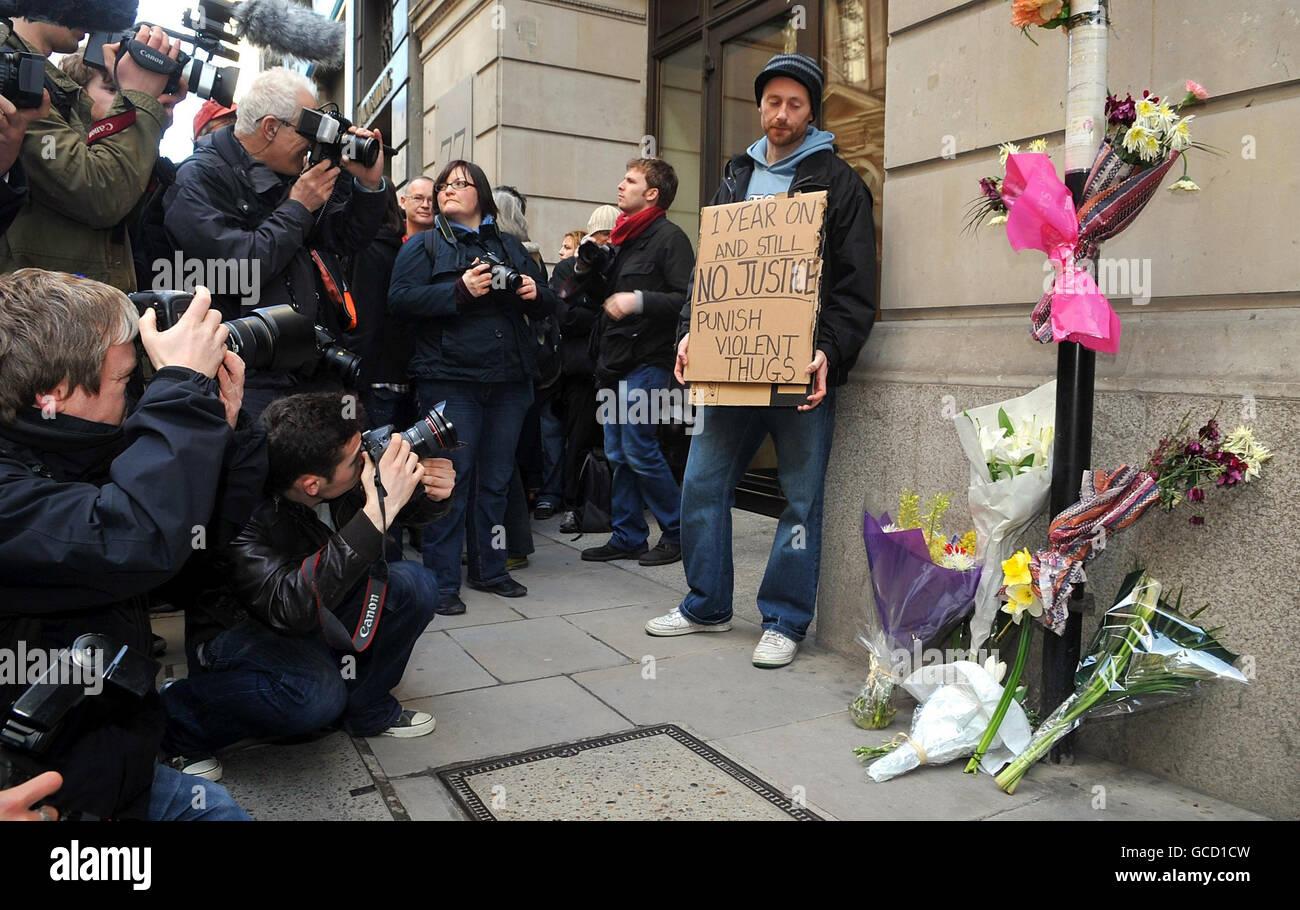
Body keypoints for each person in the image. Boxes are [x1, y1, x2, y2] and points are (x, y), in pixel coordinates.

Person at [647, 53, 878, 669]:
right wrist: (690, 333)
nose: (782, 113)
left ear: (811, 113)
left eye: (794, 104)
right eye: (773, 102)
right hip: (730, 366)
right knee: (701, 484)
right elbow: (710, 272)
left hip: (800, 370)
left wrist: (829, 350)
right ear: (760, 107)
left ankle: (784, 620)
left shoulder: (841, 182)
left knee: (799, 498)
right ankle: (706, 604)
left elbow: (856, 286)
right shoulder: (734, 177)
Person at [0, 273, 259, 819]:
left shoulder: (65, 445)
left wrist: (220, 433)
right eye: (124, 379)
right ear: (56, 394)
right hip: (39, 792)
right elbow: (134, 538)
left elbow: (181, 561)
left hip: (109, 761)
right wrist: (182, 390)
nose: (135, 394)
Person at [161, 391, 456, 755]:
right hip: (240, 627)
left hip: (318, 605)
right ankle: (178, 719)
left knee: (415, 585)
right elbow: (290, 608)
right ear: (311, 485)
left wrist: (433, 494)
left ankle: (364, 705)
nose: (367, 457)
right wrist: (377, 514)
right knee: (314, 695)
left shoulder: (332, 469)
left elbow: (405, 511)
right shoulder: (242, 513)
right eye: (356, 458)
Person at [163, 67, 388, 418]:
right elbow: (239, 270)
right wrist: (297, 206)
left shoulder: (287, 174)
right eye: (309, 127)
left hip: (311, 366)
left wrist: (368, 186)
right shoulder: (198, 178)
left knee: (338, 450)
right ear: (270, 127)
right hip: (248, 376)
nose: (314, 141)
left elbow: (346, 238)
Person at [388, 160, 556, 614]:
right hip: (450, 380)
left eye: (459, 183)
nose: (447, 190)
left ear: (480, 193)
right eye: (443, 184)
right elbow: (399, 302)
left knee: (496, 482)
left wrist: (534, 293)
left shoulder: (510, 246)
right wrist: (458, 291)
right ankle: (442, 582)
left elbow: (550, 302)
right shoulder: (424, 245)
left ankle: (490, 568)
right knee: (449, 482)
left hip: (508, 382)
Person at [0, 20, 186, 288]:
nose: (94, 16)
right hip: (44, 305)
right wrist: (138, 100)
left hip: (74, 301)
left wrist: (146, 112)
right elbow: (101, 192)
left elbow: (124, 210)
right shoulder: (11, 73)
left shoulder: (49, 81)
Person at [580, 160, 693, 567]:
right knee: (617, 451)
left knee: (639, 448)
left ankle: (679, 533)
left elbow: (687, 299)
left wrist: (638, 301)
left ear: (652, 193)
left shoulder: (671, 239)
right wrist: (587, 269)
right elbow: (601, 301)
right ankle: (628, 535)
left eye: (630, 180)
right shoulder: (624, 239)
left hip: (648, 360)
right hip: (615, 363)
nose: (620, 185)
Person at [550, 205, 619, 533]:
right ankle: (573, 504)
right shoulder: (568, 268)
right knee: (577, 440)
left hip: (615, 367)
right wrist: (603, 314)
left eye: (611, 235)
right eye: (600, 235)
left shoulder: (617, 265)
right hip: (581, 371)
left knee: (617, 442)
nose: (605, 241)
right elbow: (564, 315)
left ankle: (612, 504)